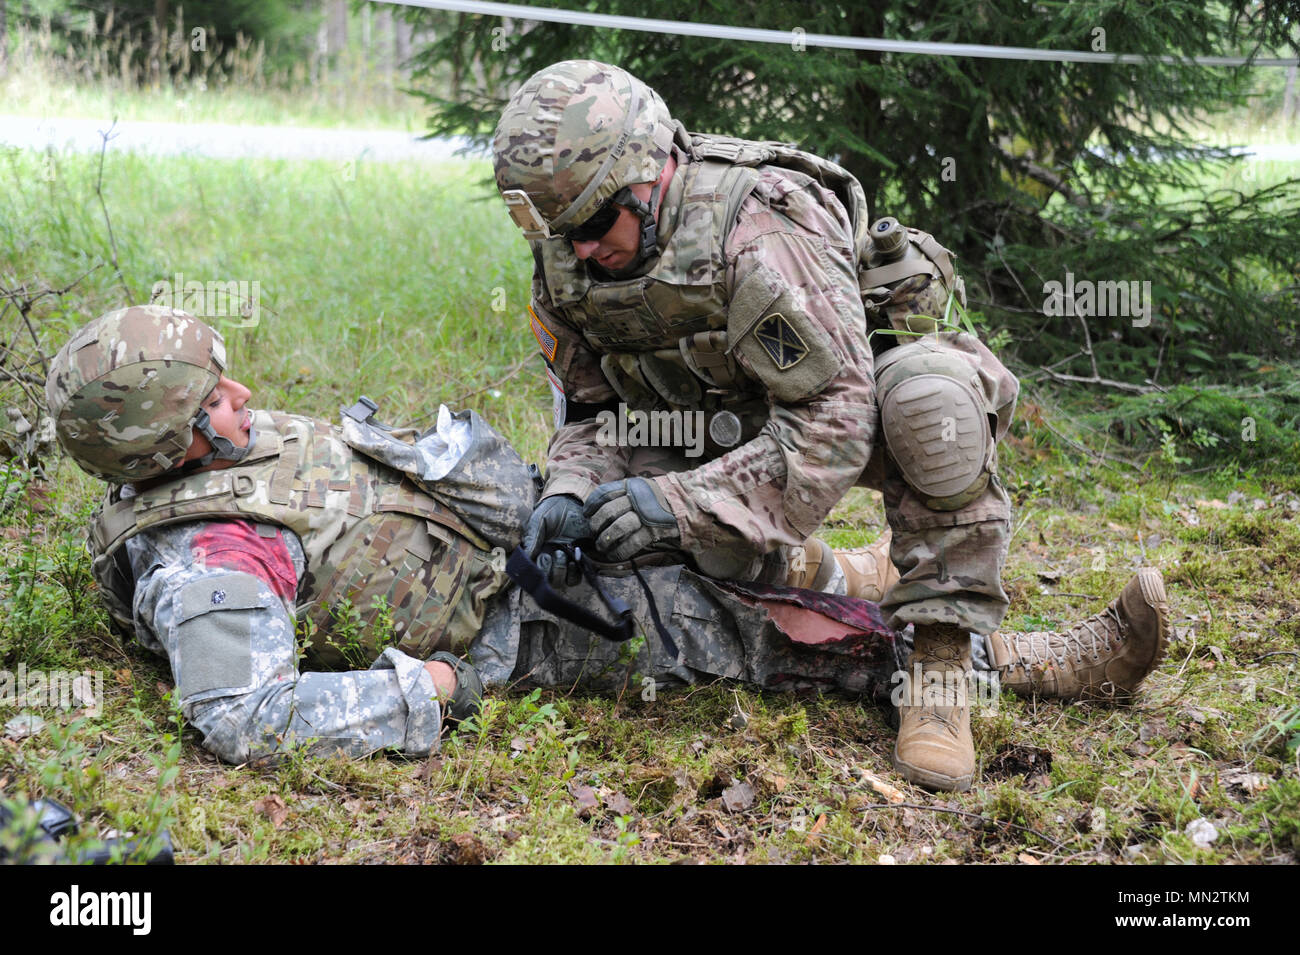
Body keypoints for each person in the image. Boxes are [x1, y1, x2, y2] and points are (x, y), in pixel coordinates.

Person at [46, 306, 1169, 771]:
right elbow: (240, 716)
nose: (242, 392)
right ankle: (1012, 663)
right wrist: (423, 687)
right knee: (731, 630)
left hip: (519, 541)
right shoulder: (212, 564)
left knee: (704, 509)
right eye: (215, 395)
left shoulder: (216, 451)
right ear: (167, 444)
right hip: (507, 624)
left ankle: (850, 568)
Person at [492, 59, 1123, 791]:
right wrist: (569, 490)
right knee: (631, 553)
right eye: (562, 233)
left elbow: (835, 420)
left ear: (652, 175)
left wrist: (680, 504)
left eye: (597, 224)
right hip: (713, 425)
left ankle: (942, 664)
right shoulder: (571, 259)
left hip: (842, 408)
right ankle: (847, 572)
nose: (581, 252)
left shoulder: (761, 223)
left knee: (932, 408)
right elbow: (593, 411)